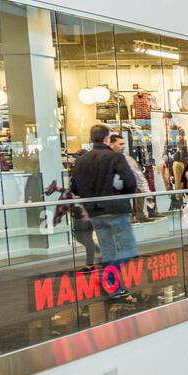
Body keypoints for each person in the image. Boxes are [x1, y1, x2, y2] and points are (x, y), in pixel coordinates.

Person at [69, 123, 139, 297]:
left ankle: (114, 288)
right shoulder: (115, 157)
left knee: (108, 250)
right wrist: (122, 193)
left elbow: (75, 188)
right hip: (115, 209)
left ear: (91, 139)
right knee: (128, 248)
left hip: (94, 212)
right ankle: (107, 277)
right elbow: (130, 183)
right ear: (107, 138)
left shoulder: (81, 160)